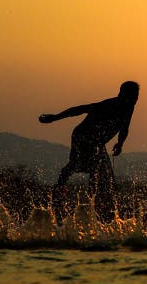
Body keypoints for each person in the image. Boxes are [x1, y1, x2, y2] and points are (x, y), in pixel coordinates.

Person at [39, 81, 139, 219]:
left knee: (105, 173)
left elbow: (125, 127)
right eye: (132, 97)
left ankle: (101, 205)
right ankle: (59, 191)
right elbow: (80, 109)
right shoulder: (108, 105)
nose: (134, 101)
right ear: (121, 94)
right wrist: (55, 117)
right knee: (81, 165)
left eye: (136, 98)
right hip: (82, 136)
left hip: (98, 143)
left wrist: (120, 143)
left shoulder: (129, 108)